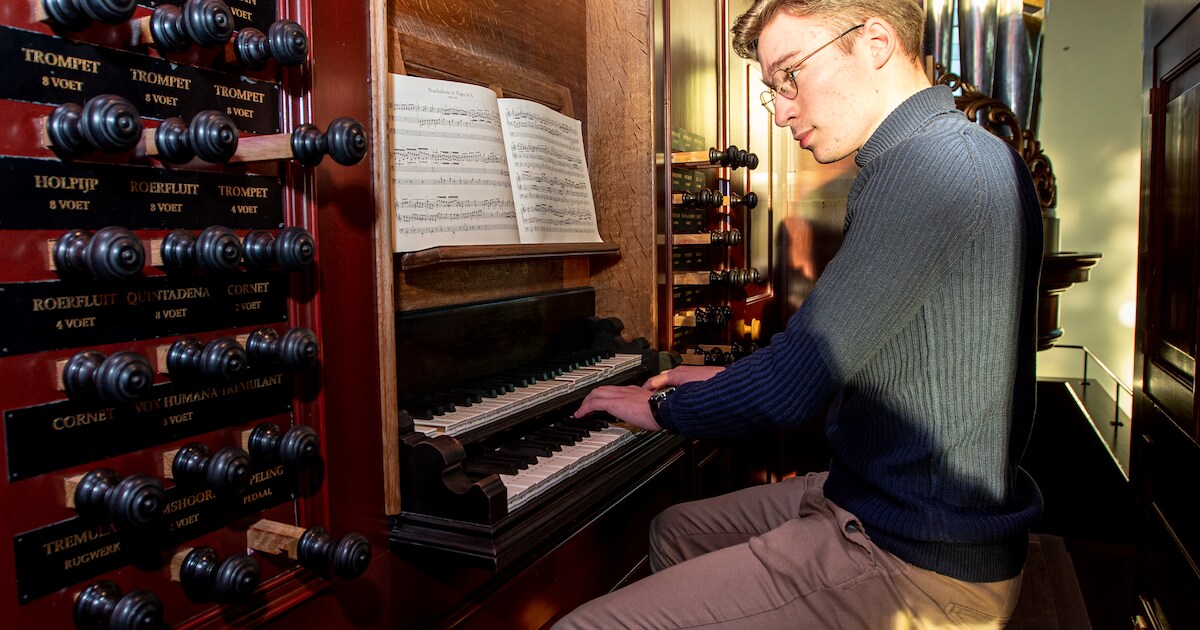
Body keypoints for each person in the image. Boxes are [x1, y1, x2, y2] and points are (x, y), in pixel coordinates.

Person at [555, 0, 1044, 627]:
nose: (782, 110)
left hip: (919, 557)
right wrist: (719, 380)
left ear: (874, 41)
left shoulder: (933, 163)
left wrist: (658, 407)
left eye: (792, 74)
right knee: (676, 531)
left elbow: (793, 388)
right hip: (877, 498)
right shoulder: (934, 151)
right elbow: (862, 357)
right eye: (771, 90)